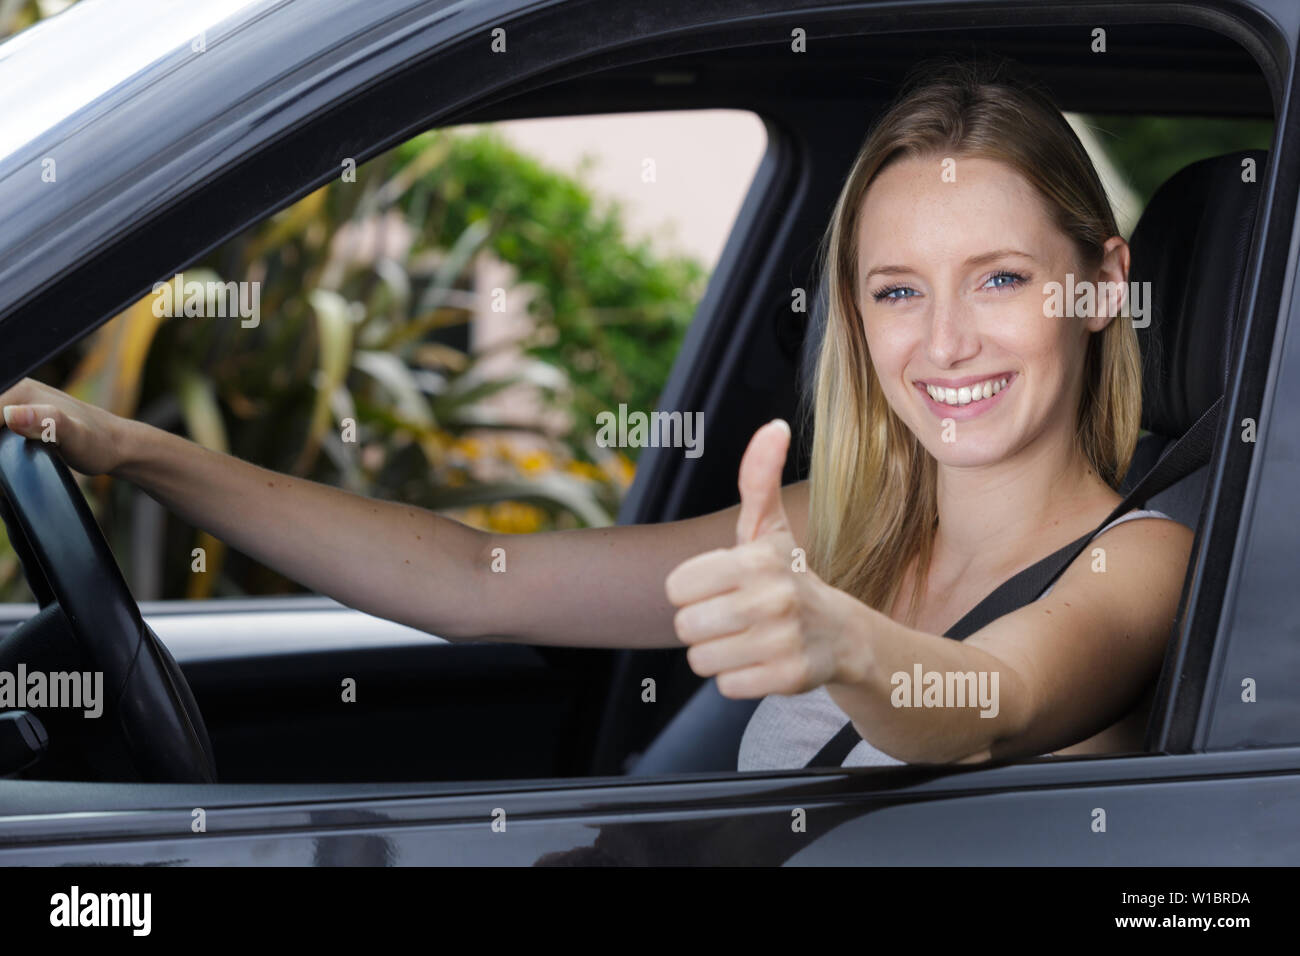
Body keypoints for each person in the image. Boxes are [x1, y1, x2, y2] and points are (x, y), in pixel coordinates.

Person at [0, 59, 1192, 771]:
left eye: (999, 277)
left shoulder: (1147, 558)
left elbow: (993, 703)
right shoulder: (843, 524)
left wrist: (845, 646)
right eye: (896, 290)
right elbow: (480, 577)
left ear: (1098, 284)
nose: (942, 342)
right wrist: (135, 450)